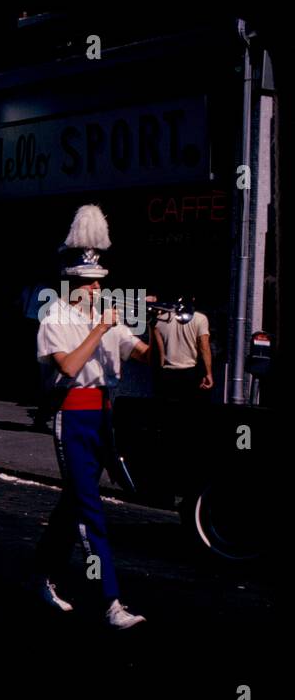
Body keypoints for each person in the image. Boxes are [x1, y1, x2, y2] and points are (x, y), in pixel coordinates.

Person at [34, 204, 152, 629]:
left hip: (104, 412)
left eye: (98, 280)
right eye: (87, 282)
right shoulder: (56, 318)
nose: (95, 287)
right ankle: (110, 602)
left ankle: (40, 573)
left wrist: (163, 324)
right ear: (71, 283)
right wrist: (101, 329)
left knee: (72, 505)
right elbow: (67, 368)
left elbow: (145, 355)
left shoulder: (108, 320)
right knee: (89, 511)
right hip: (73, 413)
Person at [150, 294, 212, 403]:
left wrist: (159, 376)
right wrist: (208, 373)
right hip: (190, 374)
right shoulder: (201, 319)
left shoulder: (160, 320)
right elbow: (204, 348)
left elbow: (160, 355)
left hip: (167, 374)